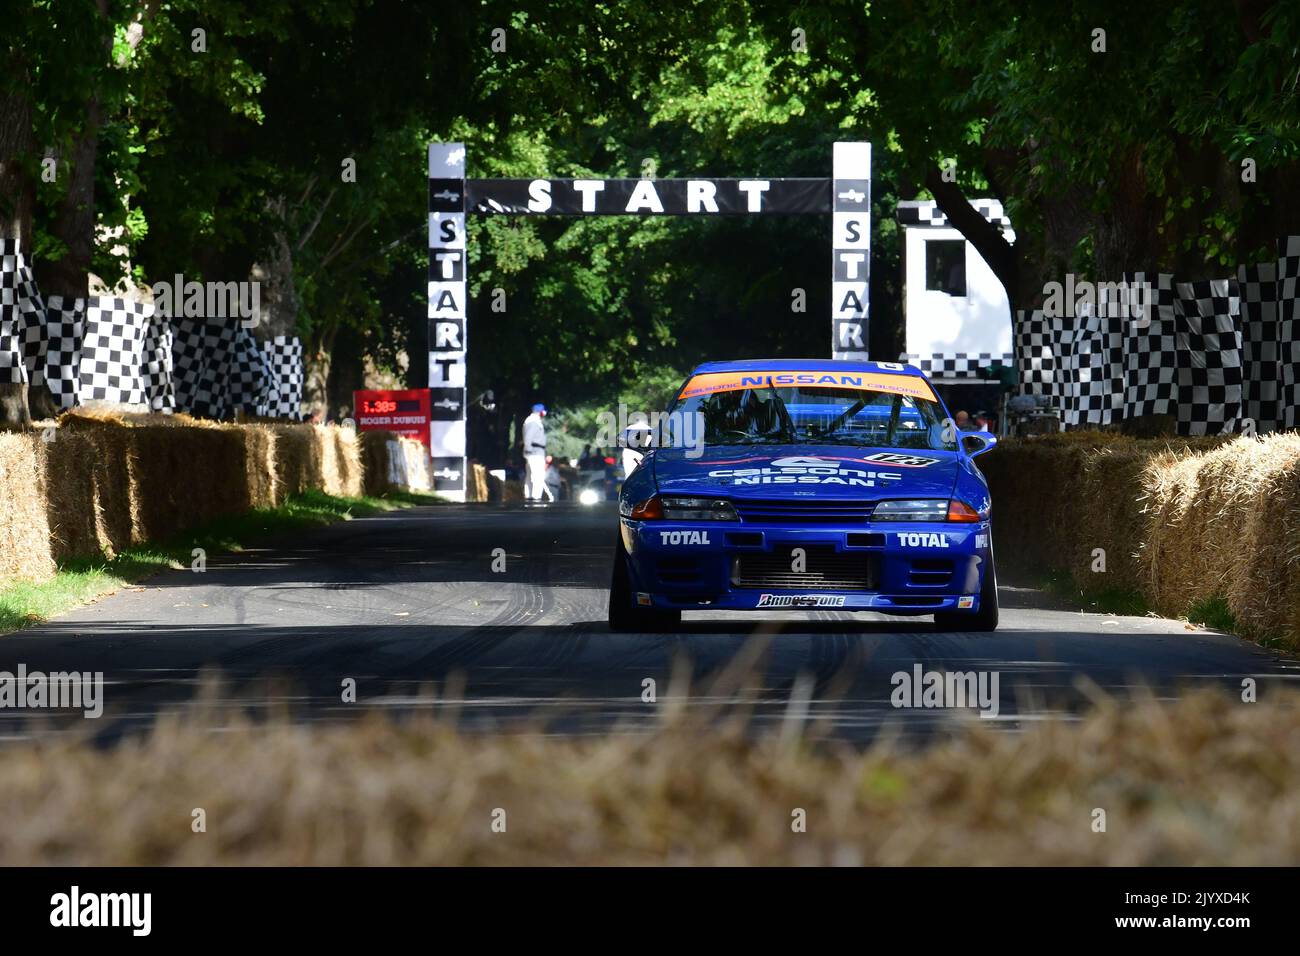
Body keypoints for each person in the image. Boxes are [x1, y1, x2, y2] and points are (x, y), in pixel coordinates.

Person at [522, 403, 548, 500]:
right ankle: (535, 496)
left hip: (534, 452)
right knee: (538, 476)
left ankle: (530, 495)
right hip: (535, 452)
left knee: (531, 476)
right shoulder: (533, 422)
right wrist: (528, 450)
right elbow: (528, 437)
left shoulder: (532, 421)